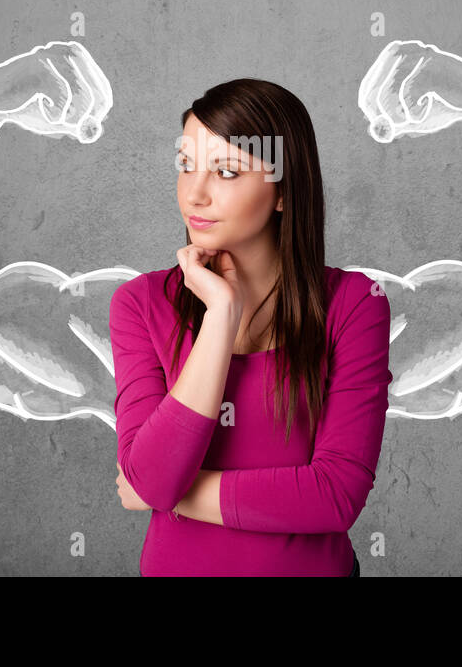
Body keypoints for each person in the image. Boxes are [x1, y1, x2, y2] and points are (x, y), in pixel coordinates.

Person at [111, 79, 391, 577]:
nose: (194, 192)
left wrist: (174, 491)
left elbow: (335, 495)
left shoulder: (355, 305)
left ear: (283, 192)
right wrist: (220, 316)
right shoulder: (140, 303)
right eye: (185, 165)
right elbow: (152, 477)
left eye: (225, 171)